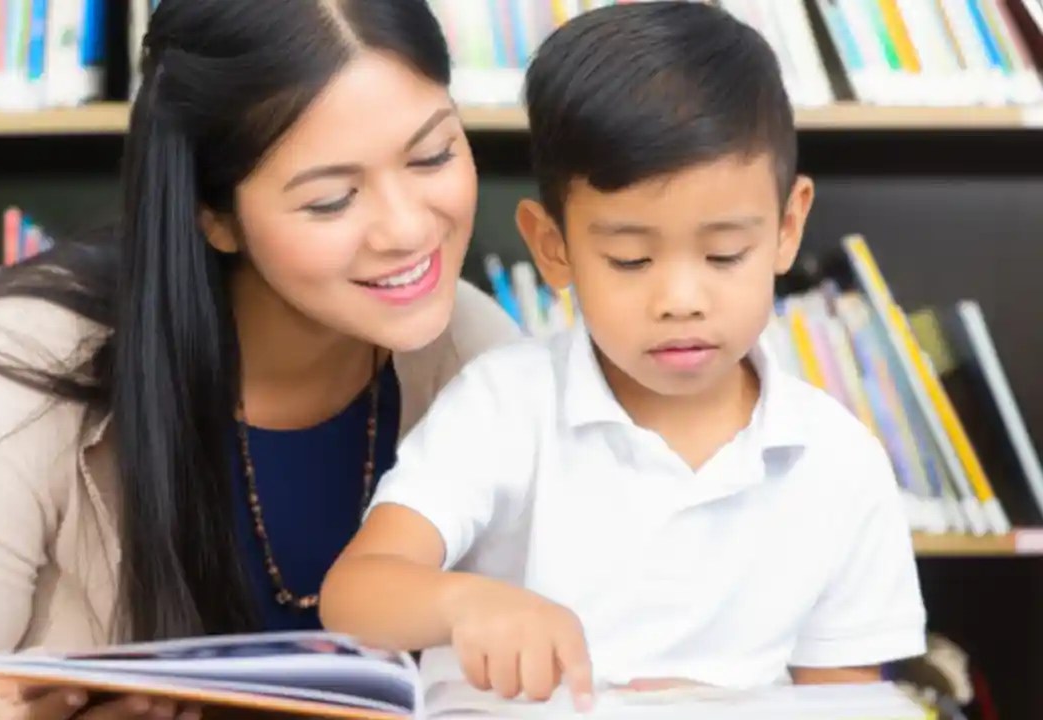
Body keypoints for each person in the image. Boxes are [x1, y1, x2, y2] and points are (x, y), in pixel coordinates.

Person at [0, 1, 521, 718]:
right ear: (215, 213)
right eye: (331, 200)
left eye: (433, 155)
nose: (406, 229)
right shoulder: (1, 381)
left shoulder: (476, 356)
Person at [319, 2, 928, 715]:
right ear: (553, 248)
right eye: (631, 260)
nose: (680, 299)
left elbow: (844, 704)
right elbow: (354, 597)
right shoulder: (504, 406)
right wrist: (464, 602)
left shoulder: (838, 463)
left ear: (788, 226)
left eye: (726, 254)